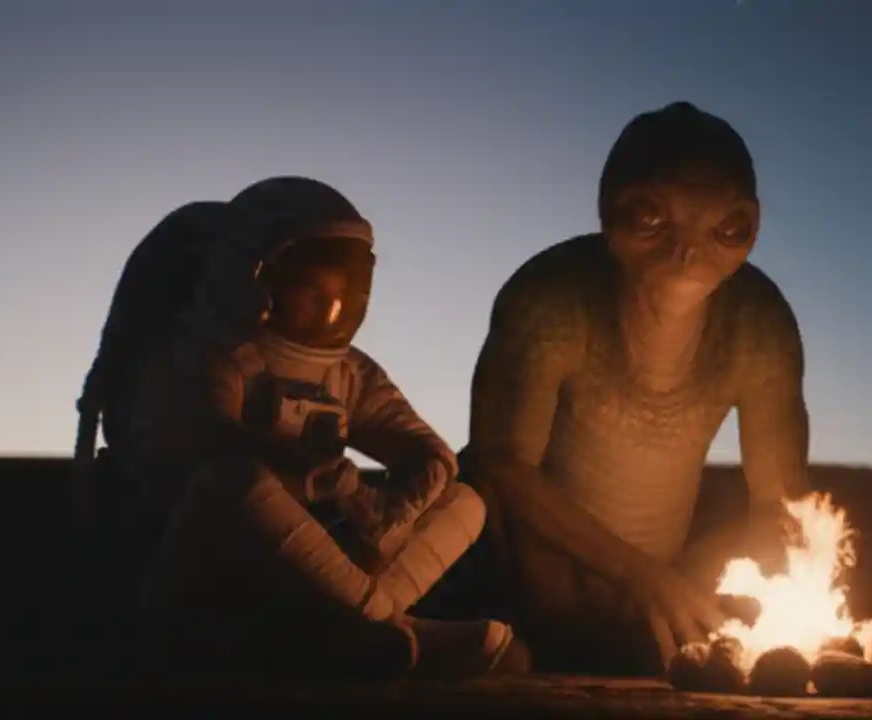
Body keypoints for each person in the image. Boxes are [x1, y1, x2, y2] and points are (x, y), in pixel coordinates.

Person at [465, 102, 810, 674]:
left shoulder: (758, 323)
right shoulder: (552, 298)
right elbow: (503, 466)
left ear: (752, 225)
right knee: (473, 492)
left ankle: (633, 638)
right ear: (609, 215)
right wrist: (642, 578)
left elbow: (780, 505)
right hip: (538, 568)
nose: (687, 253)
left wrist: (764, 604)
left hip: (671, 573)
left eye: (726, 228)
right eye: (651, 217)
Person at [131, 177, 521, 680]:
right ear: (253, 279)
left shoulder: (349, 372)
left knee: (466, 501)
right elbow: (194, 452)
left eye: (346, 292)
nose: (333, 308)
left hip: (320, 570)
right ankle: (395, 626)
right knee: (234, 483)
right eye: (313, 291)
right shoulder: (206, 357)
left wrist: (390, 512)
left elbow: (430, 453)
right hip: (216, 573)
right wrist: (303, 469)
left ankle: (349, 629)